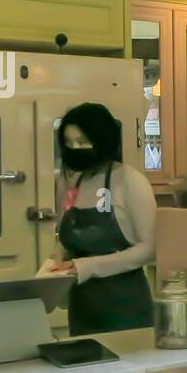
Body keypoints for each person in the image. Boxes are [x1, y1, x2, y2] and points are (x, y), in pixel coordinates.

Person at [44, 103, 155, 335]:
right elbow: (65, 235)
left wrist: (86, 266)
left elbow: (150, 249)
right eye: (68, 142)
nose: (75, 148)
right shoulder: (69, 184)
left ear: (103, 140)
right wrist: (54, 261)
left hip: (125, 307)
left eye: (83, 141)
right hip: (81, 307)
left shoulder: (130, 181)